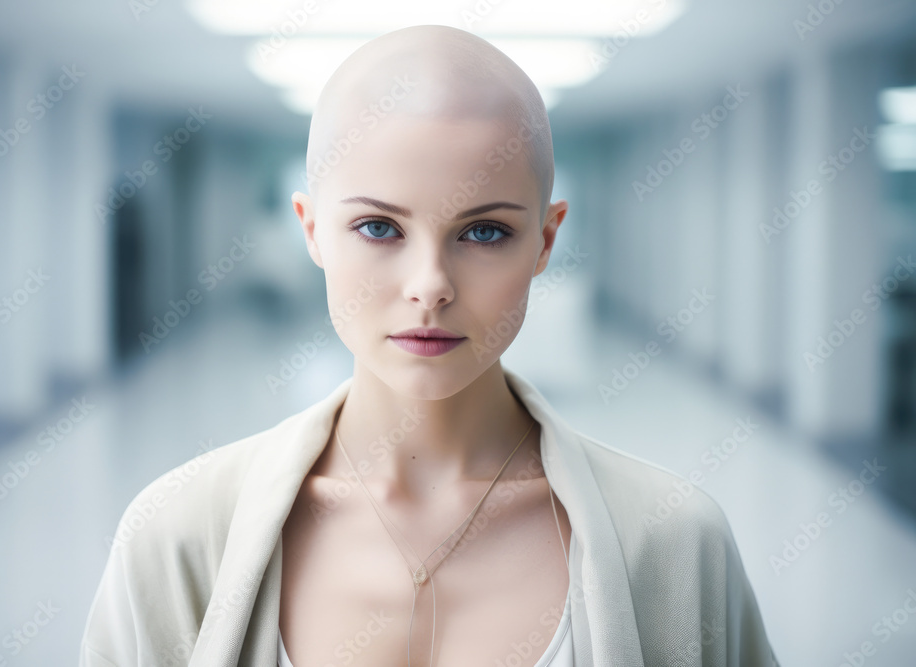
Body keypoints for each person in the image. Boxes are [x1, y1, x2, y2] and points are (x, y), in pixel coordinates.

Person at [80, 24, 779, 667]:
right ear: (312, 229)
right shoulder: (174, 541)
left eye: (484, 232)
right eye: (380, 228)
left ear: (546, 239)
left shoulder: (678, 546)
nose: (431, 286)